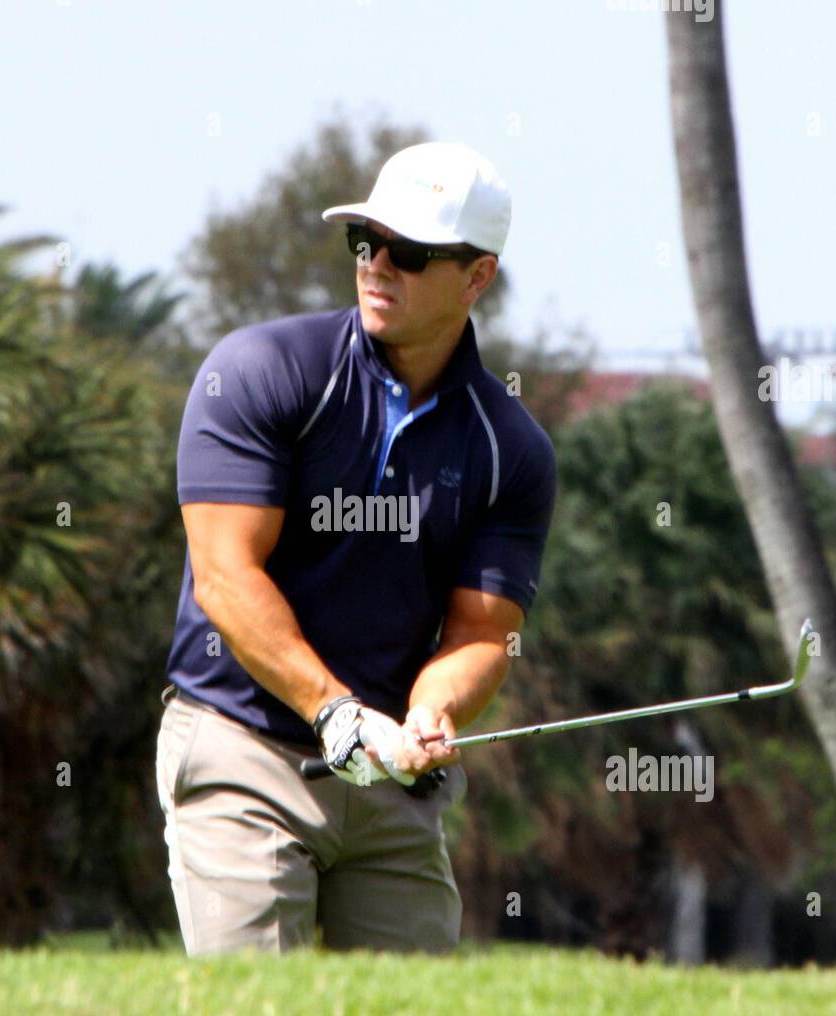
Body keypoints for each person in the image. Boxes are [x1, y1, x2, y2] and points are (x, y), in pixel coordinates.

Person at [156, 141, 557, 954]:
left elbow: (482, 635)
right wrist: (335, 712)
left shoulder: (510, 449)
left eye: (409, 253)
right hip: (245, 748)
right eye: (366, 242)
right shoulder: (260, 370)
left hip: (390, 780)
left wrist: (432, 709)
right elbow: (225, 576)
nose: (379, 267)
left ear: (477, 277)